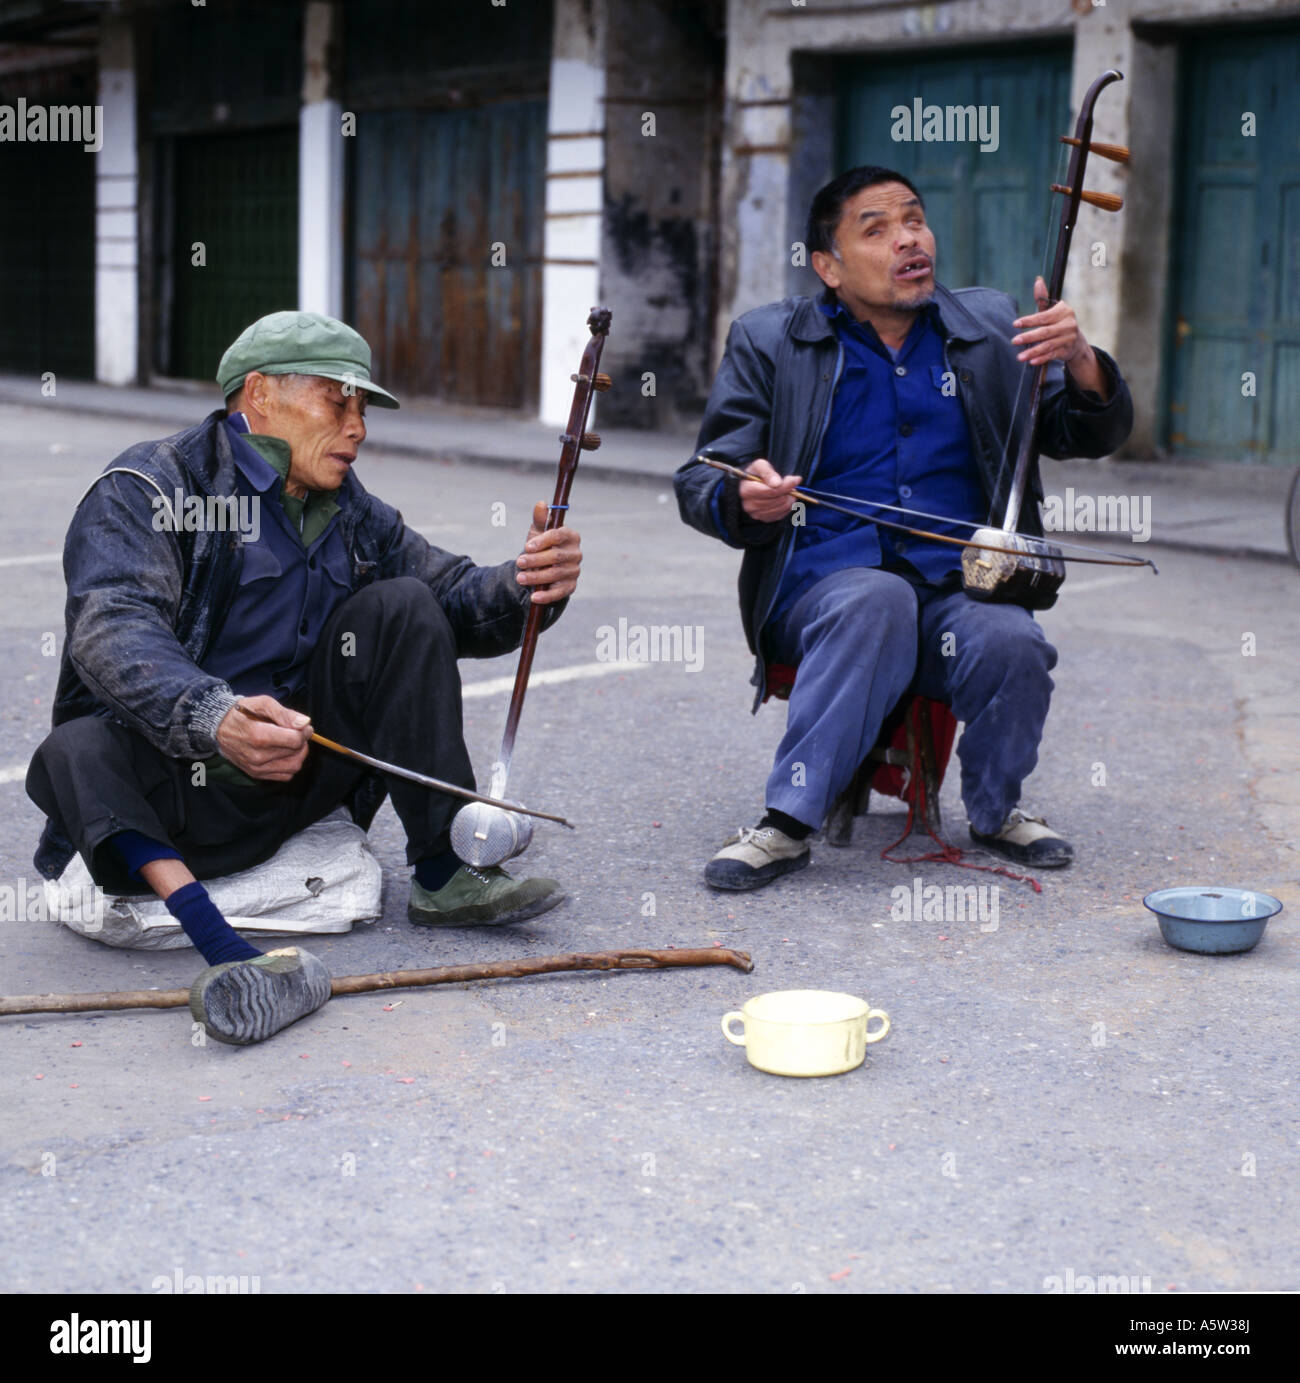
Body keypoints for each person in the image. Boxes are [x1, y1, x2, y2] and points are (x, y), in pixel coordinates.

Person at [27, 311, 582, 1043]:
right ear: (258, 394)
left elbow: (454, 600)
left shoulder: (350, 509)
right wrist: (214, 716)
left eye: (362, 408)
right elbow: (113, 625)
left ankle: (446, 870)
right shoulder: (151, 483)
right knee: (78, 746)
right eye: (337, 401)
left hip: (299, 779)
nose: (357, 428)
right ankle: (225, 951)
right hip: (180, 794)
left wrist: (528, 581)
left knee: (404, 605)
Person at [674, 166, 1133, 891]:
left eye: (914, 219)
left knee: (1011, 639)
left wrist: (1079, 359)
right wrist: (744, 498)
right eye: (876, 228)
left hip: (959, 584)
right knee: (875, 600)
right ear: (826, 266)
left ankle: (995, 810)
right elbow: (703, 475)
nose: (908, 239)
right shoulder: (771, 341)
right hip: (824, 593)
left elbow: (1082, 430)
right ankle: (787, 824)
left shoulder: (986, 329)